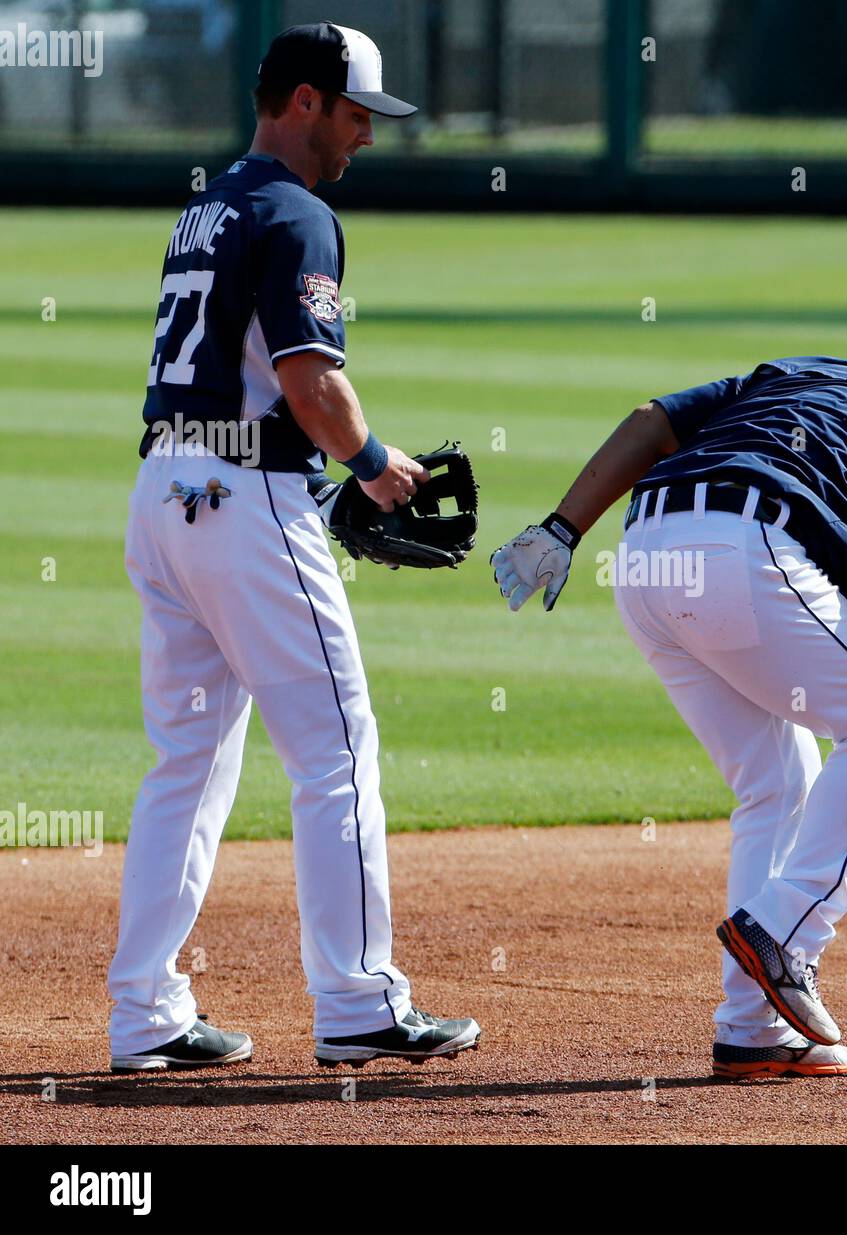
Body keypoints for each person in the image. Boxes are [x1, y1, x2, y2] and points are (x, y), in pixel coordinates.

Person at [491, 335, 847, 1079]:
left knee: (775, 780)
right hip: (745, 548)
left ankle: (753, 1027)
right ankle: (786, 931)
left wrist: (562, 527)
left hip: (644, 557)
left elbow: (650, 420)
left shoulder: (809, 371)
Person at [109, 22, 481, 1072]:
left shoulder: (209, 204)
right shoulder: (295, 210)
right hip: (245, 496)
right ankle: (359, 1001)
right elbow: (314, 385)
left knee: (185, 760)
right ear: (306, 101)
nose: (367, 135)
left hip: (166, 486)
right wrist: (372, 462)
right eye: (359, 113)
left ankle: (145, 1010)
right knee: (336, 746)